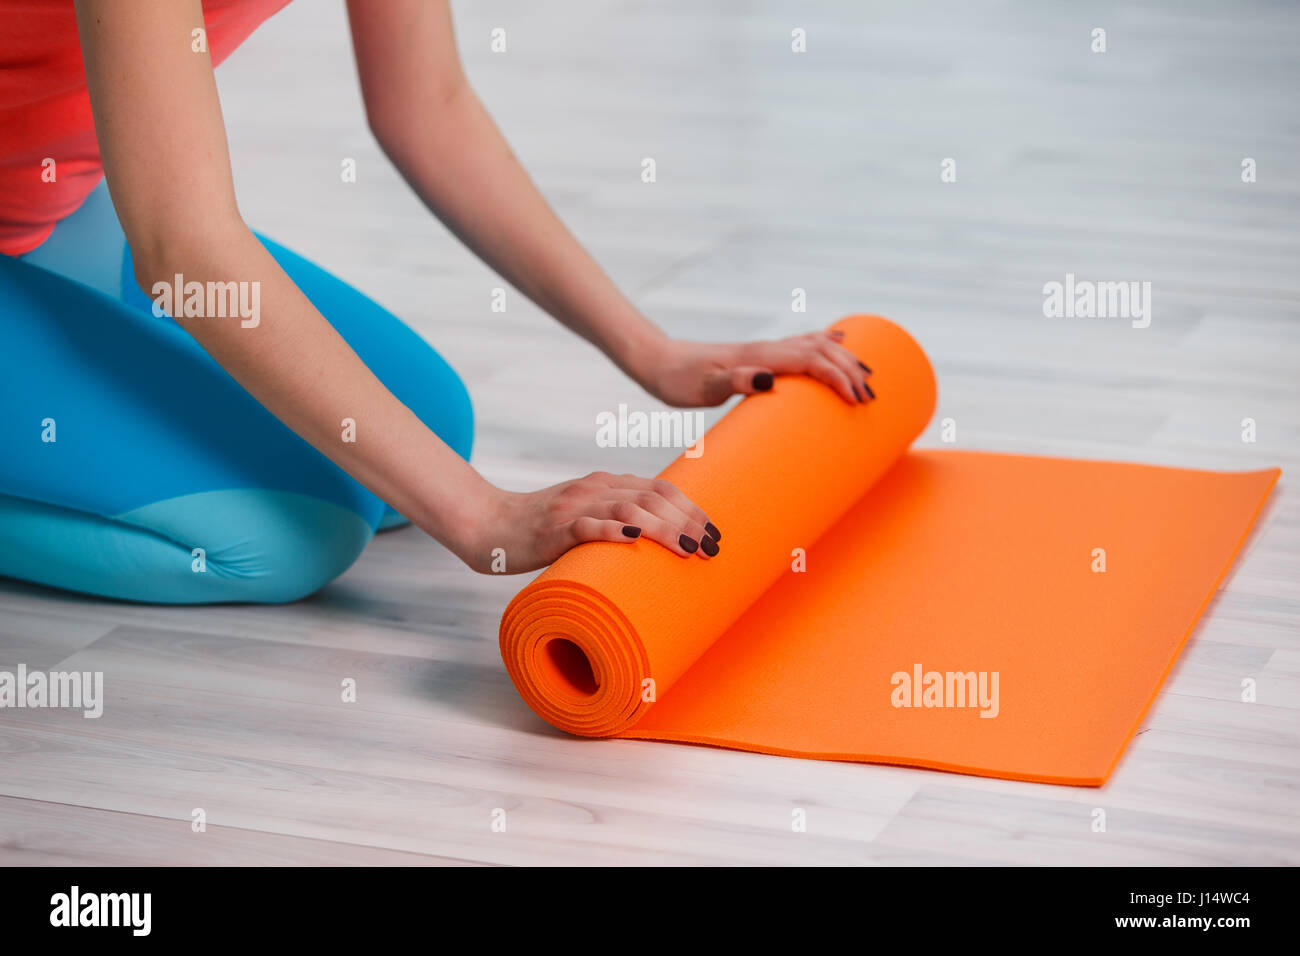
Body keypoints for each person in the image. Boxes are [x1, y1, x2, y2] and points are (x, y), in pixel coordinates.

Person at [0, 0, 874, 603]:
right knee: (284, 540)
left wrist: (651, 351)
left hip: (53, 204)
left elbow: (430, 106)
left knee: (429, 425)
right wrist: (485, 516)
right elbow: (184, 246)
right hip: (119, 222)